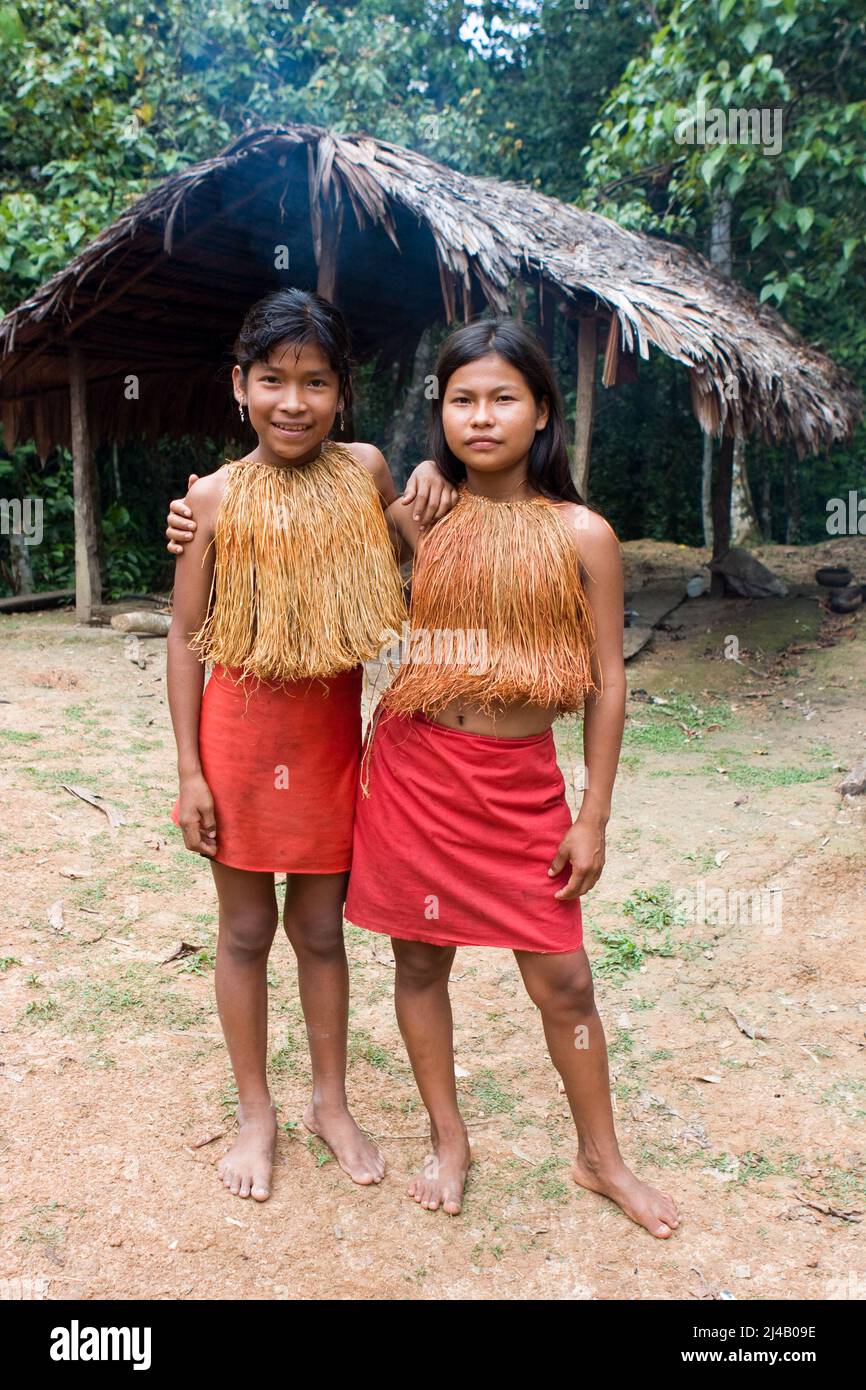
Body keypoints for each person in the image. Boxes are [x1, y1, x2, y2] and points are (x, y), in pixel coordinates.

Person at [344, 318, 681, 1238]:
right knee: (419, 958)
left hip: (519, 783)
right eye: (462, 400)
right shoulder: (419, 514)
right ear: (440, 412)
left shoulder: (582, 534)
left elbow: (610, 682)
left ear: (542, 414)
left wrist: (595, 814)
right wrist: (193, 515)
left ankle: (599, 1158)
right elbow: (311, 494)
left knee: (565, 980)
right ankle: (449, 1139)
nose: (481, 417)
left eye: (503, 399)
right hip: (414, 770)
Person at [166, 287, 455, 1202]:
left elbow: (429, 551)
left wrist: (437, 482)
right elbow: (184, 636)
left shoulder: (367, 471)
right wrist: (189, 771)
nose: (293, 402)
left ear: (342, 393)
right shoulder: (211, 498)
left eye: (316, 382)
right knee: (246, 929)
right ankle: (258, 1112)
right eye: (273, 380)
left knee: (321, 932)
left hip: (332, 745)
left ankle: (331, 1102)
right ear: (240, 388)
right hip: (239, 745)